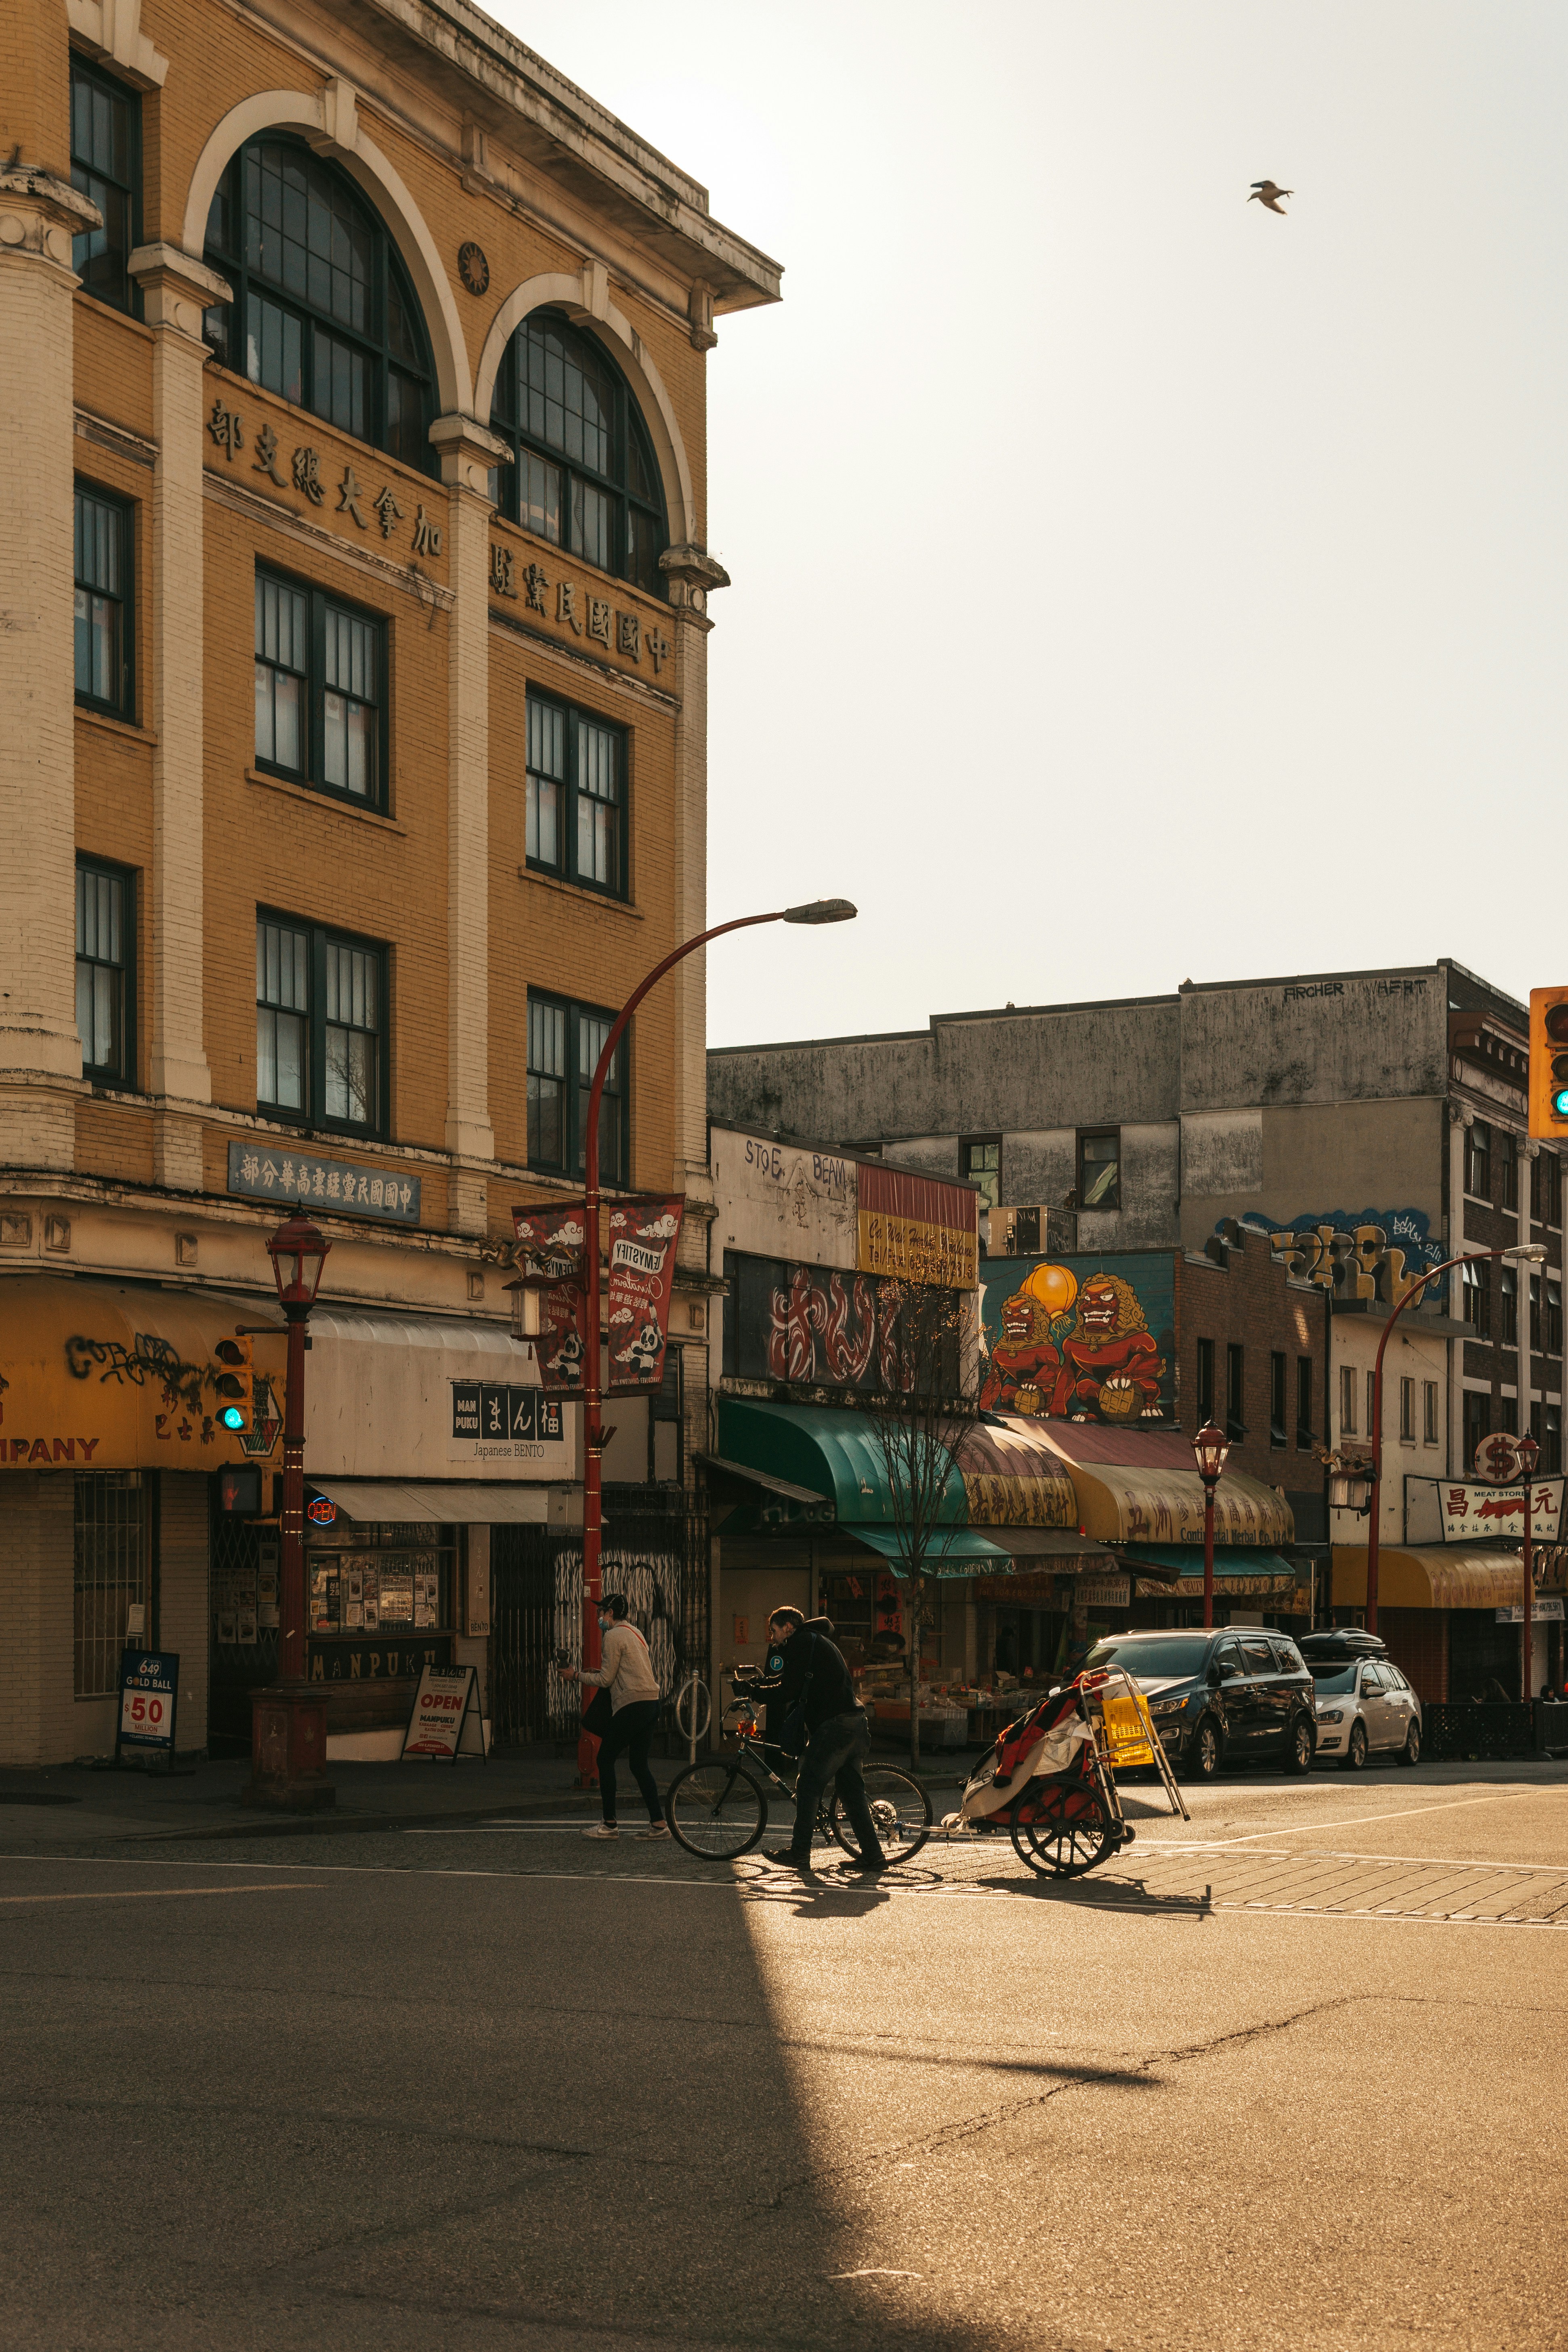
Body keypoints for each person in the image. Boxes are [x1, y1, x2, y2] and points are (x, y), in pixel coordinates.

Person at [749, 1606, 888, 1874]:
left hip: (835, 1727)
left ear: (788, 1627)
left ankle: (800, 1852)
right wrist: (757, 1685)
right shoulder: (815, 1641)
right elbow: (792, 1680)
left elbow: (788, 1689)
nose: (772, 1637)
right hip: (854, 1723)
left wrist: (755, 1692)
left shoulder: (800, 1642)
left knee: (808, 1784)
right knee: (851, 1793)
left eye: (774, 1630)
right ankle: (873, 1855)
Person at [561, 1592, 668, 1841]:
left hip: (631, 1706)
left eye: (601, 1612)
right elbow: (624, 1671)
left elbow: (606, 1680)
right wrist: (596, 1672)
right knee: (639, 1764)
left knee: (605, 1759)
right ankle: (659, 1823)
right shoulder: (635, 1632)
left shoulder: (612, 1635)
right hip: (652, 1702)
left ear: (610, 1613)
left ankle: (609, 1825)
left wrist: (576, 1676)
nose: (599, 1616)